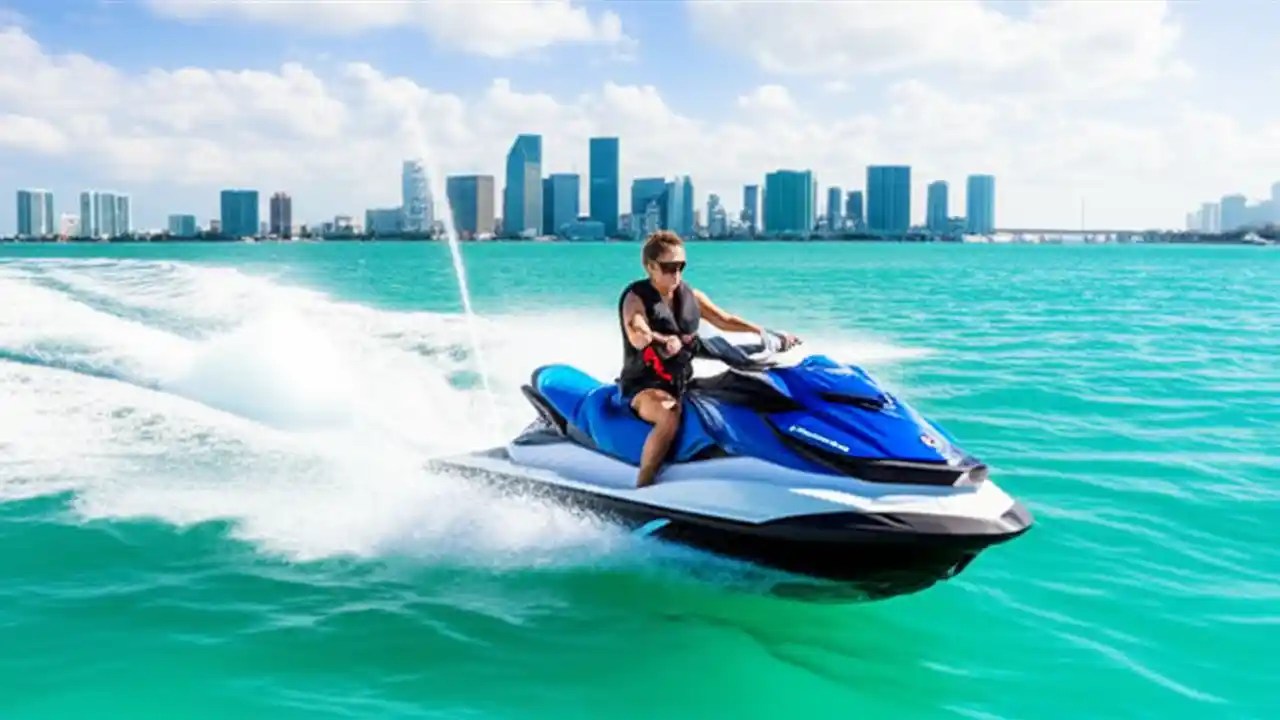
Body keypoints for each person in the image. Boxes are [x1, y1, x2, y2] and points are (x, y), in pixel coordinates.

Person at [618, 230, 800, 487]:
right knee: (670, 415)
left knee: (743, 388)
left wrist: (765, 332)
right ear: (650, 266)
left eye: (681, 266)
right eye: (669, 267)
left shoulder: (691, 296)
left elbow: (724, 320)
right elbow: (636, 330)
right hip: (644, 388)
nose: (676, 273)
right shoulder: (635, 298)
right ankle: (644, 484)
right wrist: (656, 339)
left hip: (681, 384)